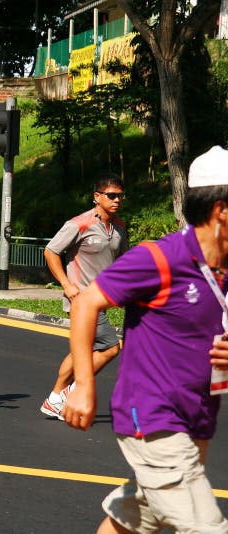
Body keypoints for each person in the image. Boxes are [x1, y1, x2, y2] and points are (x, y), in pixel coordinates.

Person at [63, 146, 228, 533]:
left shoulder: (223, 269)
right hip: (152, 415)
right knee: (207, 527)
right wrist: (84, 385)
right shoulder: (159, 258)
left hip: (197, 415)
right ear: (221, 210)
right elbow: (86, 304)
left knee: (137, 518)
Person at [39, 174, 127, 420]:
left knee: (83, 350)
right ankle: (70, 392)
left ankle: (56, 398)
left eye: (121, 195)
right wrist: (66, 284)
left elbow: (122, 261)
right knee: (110, 347)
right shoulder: (80, 223)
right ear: (97, 197)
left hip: (103, 298)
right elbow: (51, 251)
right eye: (111, 195)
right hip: (82, 300)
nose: (117, 200)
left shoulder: (119, 226)